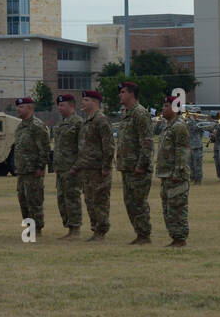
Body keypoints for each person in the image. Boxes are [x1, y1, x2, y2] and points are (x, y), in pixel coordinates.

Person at [71, 90, 114, 242]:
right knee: (89, 201)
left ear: (95, 102)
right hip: (87, 169)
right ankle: (95, 229)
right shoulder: (87, 121)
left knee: (100, 200)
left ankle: (101, 231)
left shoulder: (101, 120)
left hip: (98, 169)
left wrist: (106, 167)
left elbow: (108, 146)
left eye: (86, 100)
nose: (82, 103)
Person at [115, 80, 154, 244]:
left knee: (138, 202)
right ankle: (140, 233)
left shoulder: (140, 113)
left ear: (132, 93)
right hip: (127, 166)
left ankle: (144, 234)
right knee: (130, 202)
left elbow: (147, 141)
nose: (120, 95)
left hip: (137, 168)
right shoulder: (127, 113)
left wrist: (141, 165)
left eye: (123, 92)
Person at [12, 95, 51, 236]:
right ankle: (29, 229)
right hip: (22, 171)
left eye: (21, 107)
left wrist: (41, 167)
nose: (18, 109)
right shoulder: (21, 126)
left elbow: (44, 148)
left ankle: (37, 230)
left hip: (33, 171)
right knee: (24, 201)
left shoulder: (37, 126)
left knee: (34, 201)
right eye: (18, 106)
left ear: (30, 108)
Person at [156, 95, 191, 246]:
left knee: (177, 207)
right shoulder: (167, 125)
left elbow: (182, 151)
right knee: (168, 208)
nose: (163, 109)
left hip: (175, 175)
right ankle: (175, 236)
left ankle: (180, 238)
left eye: (166, 106)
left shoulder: (179, 126)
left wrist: (178, 172)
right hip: (166, 174)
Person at [53, 94, 84, 239]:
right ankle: (69, 227)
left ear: (71, 106)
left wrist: (76, 167)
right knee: (62, 199)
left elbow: (82, 148)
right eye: (58, 105)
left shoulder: (78, 123)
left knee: (72, 198)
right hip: (61, 169)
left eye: (62, 105)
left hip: (72, 169)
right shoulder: (61, 124)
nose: (59, 108)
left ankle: (76, 229)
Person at [186, 115, 206, 185]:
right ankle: (192, 178)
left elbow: (195, 127)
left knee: (197, 164)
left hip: (197, 146)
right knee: (190, 164)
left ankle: (198, 180)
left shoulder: (199, 123)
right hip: (190, 145)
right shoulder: (189, 122)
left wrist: (192, 120)